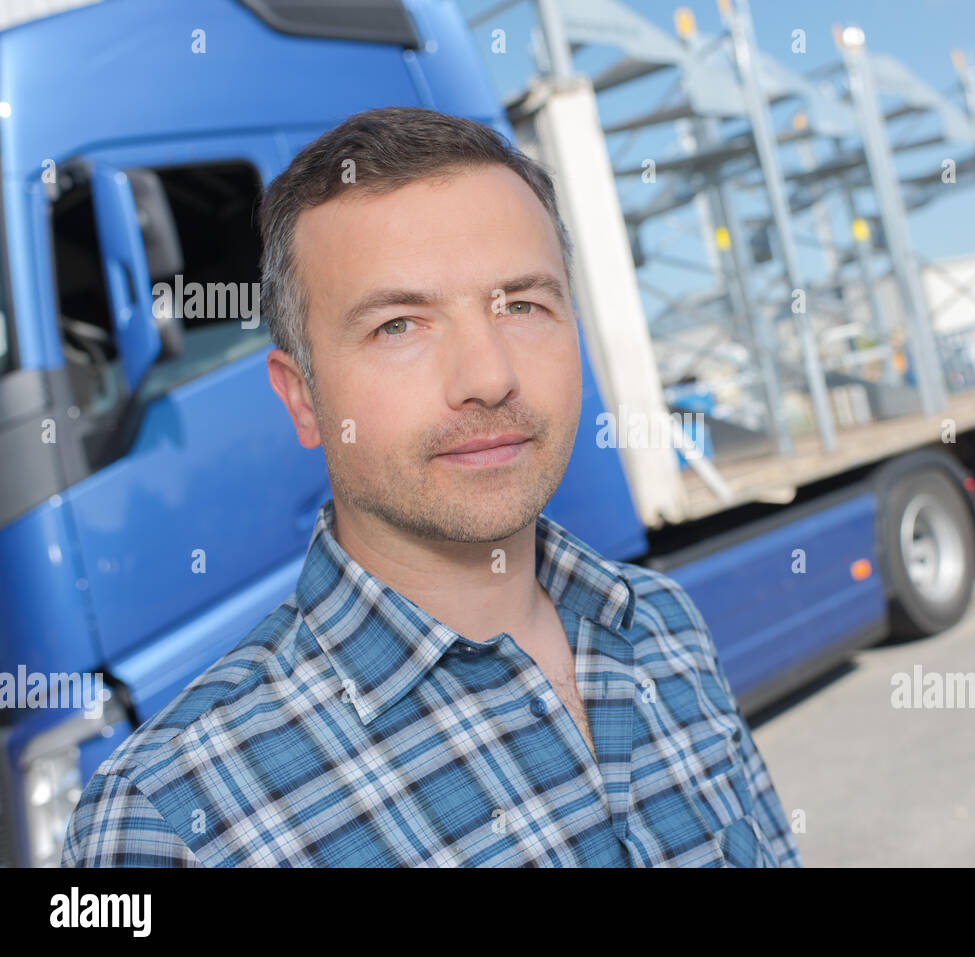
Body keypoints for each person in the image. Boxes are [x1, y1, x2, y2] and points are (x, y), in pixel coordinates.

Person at [61, 108, 802, 868]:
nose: (489, 375)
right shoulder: (167, 819)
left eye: (521, 304)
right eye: (399, 325)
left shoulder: (664, 627)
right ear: (303, 398)